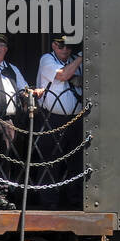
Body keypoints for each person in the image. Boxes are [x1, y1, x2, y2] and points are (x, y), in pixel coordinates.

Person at [35, 35, 84, 210]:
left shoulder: (74, 61)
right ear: (54, 45)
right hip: (52, 118)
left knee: (76, 161)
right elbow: (63, 75)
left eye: (69, 47)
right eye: (62, 46)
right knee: (51, 160)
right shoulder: (47, 59)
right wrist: (80, 58)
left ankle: (74, 200)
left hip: (75, 118)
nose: (66, 50)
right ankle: (49, 201)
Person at [0, 33, 30, 210]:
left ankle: (1, 195)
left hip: (7, 121)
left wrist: (29, 94)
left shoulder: (12, 70)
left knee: (5, 158)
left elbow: (24, 89)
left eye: (1, 45)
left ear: (6, 50)